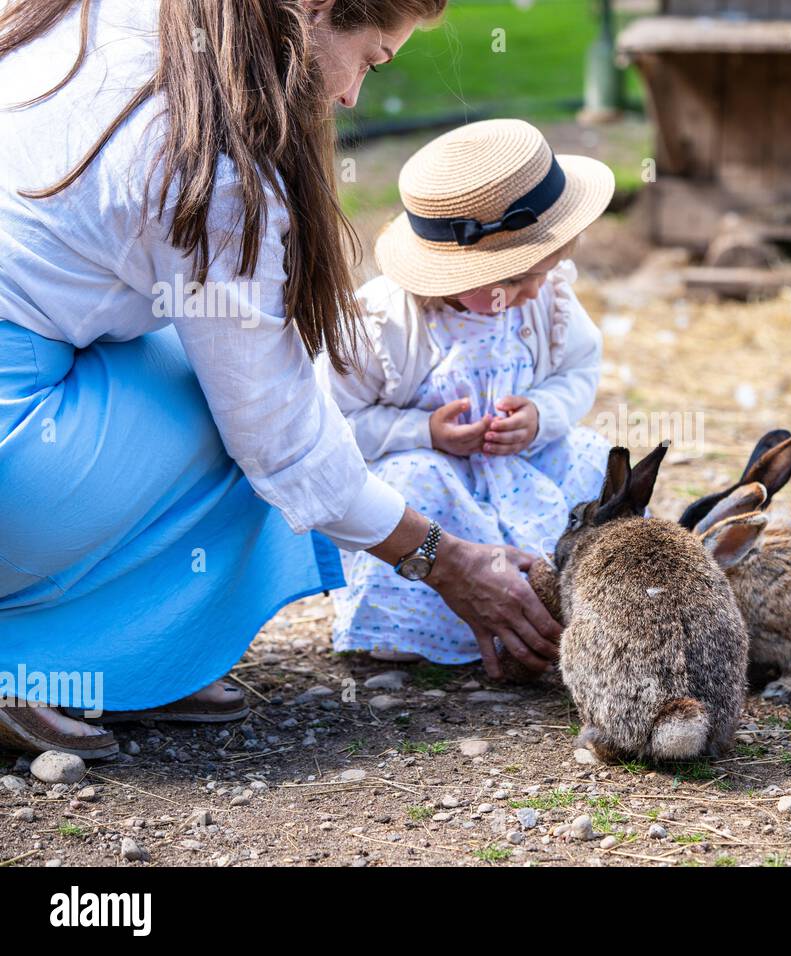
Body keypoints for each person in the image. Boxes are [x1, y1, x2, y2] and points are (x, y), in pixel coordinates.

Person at [0, 0, 560, 760]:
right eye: (371, 57)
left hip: (32, 360)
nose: (352, 97)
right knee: (242, 425)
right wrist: (448, 562)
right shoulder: (209, 163)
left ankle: (131, 656)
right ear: (317, 10)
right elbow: (280, 437)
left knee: (212, 367)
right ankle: (49, 659)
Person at [320, 120, 614, 663]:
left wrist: (542, 413)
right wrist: (422, 431)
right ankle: (417, 630)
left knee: (595, 457)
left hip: (523, 469)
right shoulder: (381, 322)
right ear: (445, 273)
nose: (528, 293)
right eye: (508, 281)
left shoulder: (550, 303)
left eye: (541, 273)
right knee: (412, 480)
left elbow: (578, 372)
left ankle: (575, 605)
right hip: (443, 487)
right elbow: (333, 421)